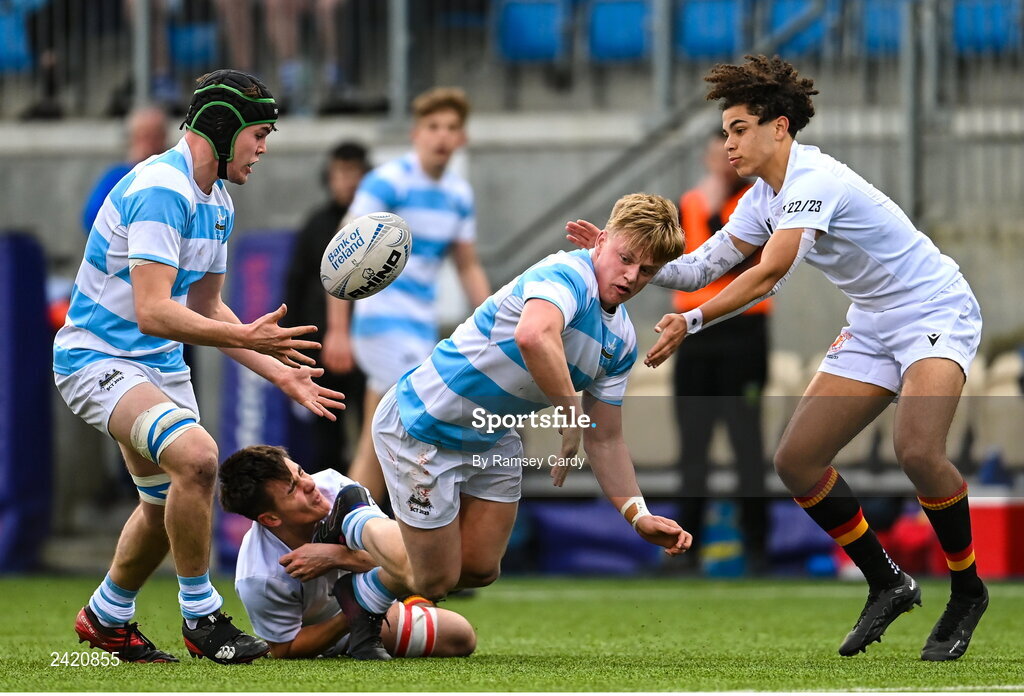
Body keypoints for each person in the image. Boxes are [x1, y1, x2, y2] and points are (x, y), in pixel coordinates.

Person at [569, 55, 987, 661]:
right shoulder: (763, 196)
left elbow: (768, 273)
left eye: (739, 128)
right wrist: (620, 256)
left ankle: (967, 589)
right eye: (726, 131)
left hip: (935, 308)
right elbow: (704, 265)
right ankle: (887, 581)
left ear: (780, 128)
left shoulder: (814, 180)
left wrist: (690, 319)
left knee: (918, 451)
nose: (728, 142)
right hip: (873, 322)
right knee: (796, 461)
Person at [54, 69, 345, 664]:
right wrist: (250, 338)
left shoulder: (217, 202)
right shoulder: (164, 189)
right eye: (259, 133)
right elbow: (155, 310)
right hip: (97, 358)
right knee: (199, 458)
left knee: (165, 503)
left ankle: (107, 617)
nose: (264, 148)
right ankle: (201, 617)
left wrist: (278, 370)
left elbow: (206, 309)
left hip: (154, 363)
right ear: (224, 126)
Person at [344, 192, 692, 605]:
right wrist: (569, 416)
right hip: (425, 423)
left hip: (491, 437)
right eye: (626, 258)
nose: (632, 276)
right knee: (434, 581)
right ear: (600, 243)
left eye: (647, 270)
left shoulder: (622, 342)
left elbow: (606, 440)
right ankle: (348, 518)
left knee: (479, 569)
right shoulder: (566, 274)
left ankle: (359, 599)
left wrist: (638, 515)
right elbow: (534, 335)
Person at [322, 86, 490, 504]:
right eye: (433, 126)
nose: (442, 136)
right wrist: (337, 329)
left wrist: (493, 321)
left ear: (463, 138)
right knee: (404, 431)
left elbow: (467, 265)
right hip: (380, 323)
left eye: (452, 128)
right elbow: (343, 254)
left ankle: (339, 530)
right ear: (416, 134)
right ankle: (365, 531)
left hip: (419, 327)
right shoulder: (388, 182)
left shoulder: (458, 195)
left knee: (379, 442)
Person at [219, 444, 477, 660]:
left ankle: (398, 597)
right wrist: (353, 612)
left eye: (300, 472)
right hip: (334, 632)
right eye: (292, 489)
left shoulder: (335, 487)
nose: (309, 484)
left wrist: (337, 556)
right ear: (271, 519)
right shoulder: (259, 576)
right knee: (459, 636)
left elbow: (402, 555)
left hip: (376, 582)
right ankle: (391, 598)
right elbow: (284, 649)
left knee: (452, 568)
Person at [672, 131, 771, 574]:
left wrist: (715, 210)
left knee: (746, 443)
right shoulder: (687, 202)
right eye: (717, 153)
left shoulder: (754, 204)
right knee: (693, 446)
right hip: (695, 337)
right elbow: (674, 263)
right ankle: (683, 548)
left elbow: (749, 263)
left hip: (743, 332)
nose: (723, 161)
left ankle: (756, 547)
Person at [282, 142, 371, 474]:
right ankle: (326, 513)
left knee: (375, 434)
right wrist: (294, 347)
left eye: (355, 173)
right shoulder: (316, 225)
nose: (349, 182)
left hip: (369, 345)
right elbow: (296, 284)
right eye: (342, 173)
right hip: (322, 347)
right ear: (329, 177)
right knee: (325, 440)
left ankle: (379, 516)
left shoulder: (375, 228)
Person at [82, 106, 170, 236]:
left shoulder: (174, 176)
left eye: (155, 136)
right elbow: (92, 219)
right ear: (131, 139)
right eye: (143, 136)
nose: (150, 144)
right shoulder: (117, 177)